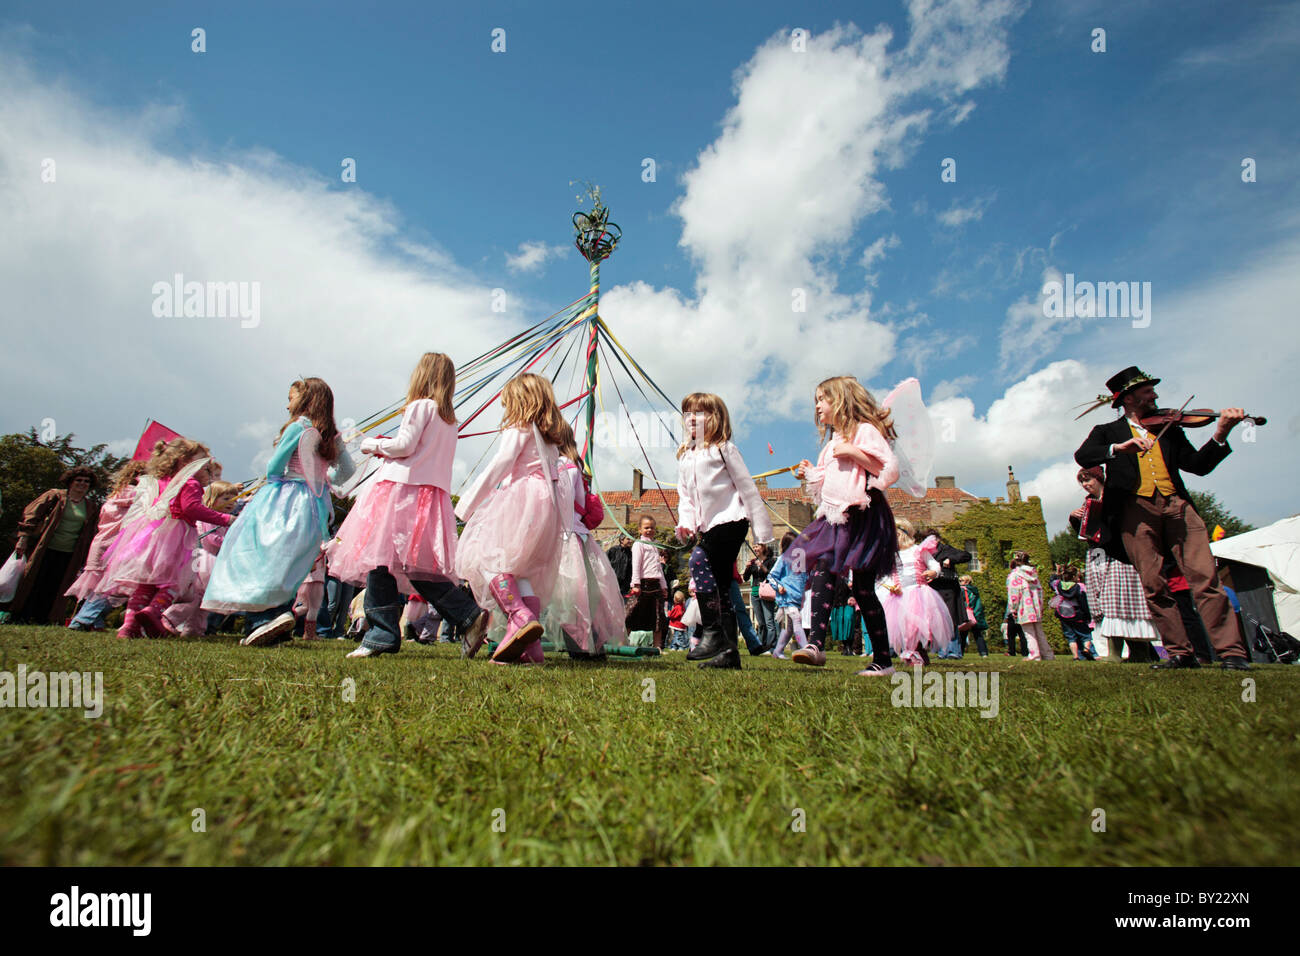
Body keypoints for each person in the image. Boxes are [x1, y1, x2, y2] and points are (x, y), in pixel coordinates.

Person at [1075, 366, 1251, 670]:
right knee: (1154, 584)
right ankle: (1180, 653)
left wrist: (1220, 433)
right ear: (1128, 398)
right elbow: (1084, 455)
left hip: (1177, 506)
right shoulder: (1108, 432)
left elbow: (1197, 465)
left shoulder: (1169, 428)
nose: (1155, 395)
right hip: (1135, 510)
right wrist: (1120, 449)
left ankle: (1231, 652)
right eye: (1147, 391)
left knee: (1205, 578)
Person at [324, 354, 489, 659]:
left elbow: (405, 446)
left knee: (380, 560)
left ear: (421, 376)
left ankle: (380, 636)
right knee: (417, 567)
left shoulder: (419, 407)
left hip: (401, 494)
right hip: (430, 496)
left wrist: (372, 444)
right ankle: (467, 615)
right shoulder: (449, 421)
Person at [202, 377, 355, 646]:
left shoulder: (298, 427)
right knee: (289, 563)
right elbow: (348, 471)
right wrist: (322, 477)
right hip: (315, 506)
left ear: (305, 399)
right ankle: (279, 619)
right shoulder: (332, 436)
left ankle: (263, 620)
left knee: (261, 558)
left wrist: (285, 481)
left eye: (291, 398)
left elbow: (274, 468)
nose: (287, 405)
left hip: (285, 499)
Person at [455, 373, 568, 664]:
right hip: (547, 506)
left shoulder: (520, 425)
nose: (505, 411)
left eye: (507, 404)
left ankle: (520, 616)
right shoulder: (549, 439)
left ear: (519, 401)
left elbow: (502, 462)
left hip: (522, 498)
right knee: (521, 572)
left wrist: (468, 502)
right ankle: (532, 648)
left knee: (488, 557)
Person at [790, 376, 900, 674]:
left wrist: (855, 453)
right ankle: (815, 645)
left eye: (821, 399)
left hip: (863, 514)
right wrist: (810, 473)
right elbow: (826, 484)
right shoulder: (831, 444)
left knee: (863, 588)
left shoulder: (864, 432)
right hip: (834, 519)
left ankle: (883, 660)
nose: (817, 406)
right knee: (823, 571)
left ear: (840, 401)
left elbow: (889, 470)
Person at [675, 392, 775, 670]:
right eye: (687, 413)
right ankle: (730, 654)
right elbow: (685, 496)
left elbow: (748, 489)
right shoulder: (685, 456)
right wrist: (686, 522)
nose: (692, 418)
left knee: (697, 559)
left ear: (715, 418)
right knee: (720, 587)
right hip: (709, 526)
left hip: (733, 519)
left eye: (700, 412)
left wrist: (762, 533)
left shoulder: (724, 448)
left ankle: (713, 632)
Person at [100, 442, 232, 638]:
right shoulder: (190, 483)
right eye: (202, 462)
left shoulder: (162, 481)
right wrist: (226, 519)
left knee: (145, 583)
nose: (206, 466)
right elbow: (192, 508)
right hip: (175, 537)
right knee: (173, 582)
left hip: (150, 536)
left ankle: (129, 627)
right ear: (184, 461)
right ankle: (153, 612)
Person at [547, 422, 627, 659]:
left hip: (567, 538)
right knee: (586, 595)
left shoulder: (561, 468)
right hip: (580, 538)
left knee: (571, 596)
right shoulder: (576, 469)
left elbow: (560, 506)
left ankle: (581, 647)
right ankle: (593, 646)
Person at [1069, 465, 1159, 662]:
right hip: (1100, 555)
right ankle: (1121, 652)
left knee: (1122, 601)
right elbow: (1088, 534)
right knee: (1106, 601)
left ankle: (1135, 653)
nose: (1085, 485)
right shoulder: (1089, 503)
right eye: (1082, 481)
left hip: (1120, 555)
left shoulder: (1114, 498)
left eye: (1088, 480)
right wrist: (1076, 520)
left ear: (1099, 478)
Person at [6, 466, 102, 624]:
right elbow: (31, 515)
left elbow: (91, 533)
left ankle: (43, 618)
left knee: (56, 585)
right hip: (43, 549)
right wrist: (23, 538)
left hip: (70, 553)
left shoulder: (90, 506)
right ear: (70, 482)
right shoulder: (55, 496)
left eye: (86, 482)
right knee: (33, 581)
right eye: (79, 480)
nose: (82, 484)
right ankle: (20, 615)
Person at [66, 460, 148, 631]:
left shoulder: (113, 497)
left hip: (100, 543)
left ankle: (95, 622)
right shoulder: (140, 497)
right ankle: (82, 619)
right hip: (117, 546)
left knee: (98, 585)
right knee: (108, 587)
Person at [161, 479, 241, 636]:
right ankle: (170, 618)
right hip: (203, 560)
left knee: (205, 600)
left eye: (234, 499)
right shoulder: (210, 518)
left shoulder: (225, 518)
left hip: (214, 562)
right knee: (195, 595)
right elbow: (212, 539)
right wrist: (232, 542)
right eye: (226, 498)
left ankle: (195, 629)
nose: (231, 502)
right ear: (212, 499)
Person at [877, 520, 953, 665]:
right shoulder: (891, 555)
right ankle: (911, 652)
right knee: (905, 626)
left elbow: (934, 564)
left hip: (919, 593)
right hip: (900, 595)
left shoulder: (918, 550)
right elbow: (884, 575)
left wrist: (933, 572)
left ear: (902, 535)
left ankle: (918, 651)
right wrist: (891, 586)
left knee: (917, 625)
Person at [918, 529, 971, 659]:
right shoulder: (923, 552)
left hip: (947, 589)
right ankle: (942, 651)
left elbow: (966, 555)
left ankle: (953, 651)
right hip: (932, 589)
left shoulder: (945, 549)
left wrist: (950, 559)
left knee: (950, 619)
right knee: (936, 621)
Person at [625, 515, 669, 649]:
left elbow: (659, 568)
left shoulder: (655, 546)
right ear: (640, 529)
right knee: (632, 614)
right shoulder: (638, 544)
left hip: (655, 585)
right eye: (646, 527)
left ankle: (657, 647)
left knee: (658, 617)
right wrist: (636, 584)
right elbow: (636, 565)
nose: (649, 530)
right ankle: (622, 642)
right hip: (642, 585)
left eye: (652, 528)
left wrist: (664, 586)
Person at [766, 531, 809, 660]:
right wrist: (779, 587)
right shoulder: (783, 559)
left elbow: (805, 579)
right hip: (787, 598)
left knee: (789, 628)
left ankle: (777, 651)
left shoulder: (802, 562)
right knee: (796, 621)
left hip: (796, 598)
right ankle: (806, 649)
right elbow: (771, 576)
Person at [1006, 552, 1053, 660]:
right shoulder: (1034, 574)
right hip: (1036, 605)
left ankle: (1034, 654)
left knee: (1029, 632)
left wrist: (1013, 608)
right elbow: (1041, 591)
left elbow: (1014, 593)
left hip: (1024, 606)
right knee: (1039, 631)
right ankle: (1048, 654)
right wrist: (1040, 606)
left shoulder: (1014, 575)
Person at [1049, 565, 1096, 660]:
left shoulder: (1058, 586)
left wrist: (1057, 573)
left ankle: (1075, 656)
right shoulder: (1079, 587)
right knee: (1085, 635)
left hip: (1063, 614)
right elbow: (1083, 602)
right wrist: (1088, 615)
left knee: (1070, 637)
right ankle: (1086, 649)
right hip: (1077, 613)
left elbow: (1051, 581)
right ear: (1074, 577)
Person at [743, 542, 777, 649]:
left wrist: (762, 567)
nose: (755, 549)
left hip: (766, 593)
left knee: (769, 621)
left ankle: (771, 646)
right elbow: (746, 578)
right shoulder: (753, 562)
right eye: (754, 547)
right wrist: (747, 568)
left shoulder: (771, 561)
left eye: (757, 546)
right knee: (761, 622)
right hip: (755, 593)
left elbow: (773, 575)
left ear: (763, 547)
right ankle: (761, 646)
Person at [957, 574, 989, 657]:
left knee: (963, 634)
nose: (959, 582)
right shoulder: (974, 591)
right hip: (975, 614)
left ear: (967, 581)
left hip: (966, 614)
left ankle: (960, 652)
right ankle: (983, 652)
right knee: (978, 634)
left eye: (961, 580)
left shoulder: (962, 590)